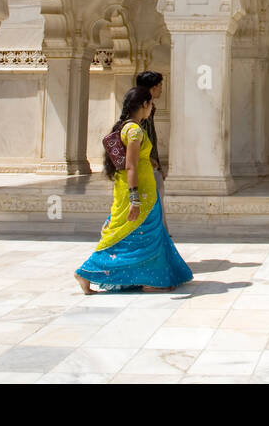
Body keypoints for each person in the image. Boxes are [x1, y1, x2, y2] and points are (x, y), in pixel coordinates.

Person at [74, 86, 192, 293]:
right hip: (140, 194)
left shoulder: (126, 127)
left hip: (140, 190)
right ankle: (88, 272)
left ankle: (148, 279)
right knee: (138, 234)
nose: (151, 108)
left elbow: (134, 162)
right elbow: (131, 165)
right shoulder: (135, 131)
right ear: (145, 104)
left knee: (139, 235)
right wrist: (135, 200)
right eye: (151, 104)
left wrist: (151, 162)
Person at [134, 70, 166, 214]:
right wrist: (150, 160)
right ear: (153, 88)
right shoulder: (142, 110)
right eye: (159, 85)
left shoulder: (147, 108)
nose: (161, 89)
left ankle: (160, 233)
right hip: (145, 165)